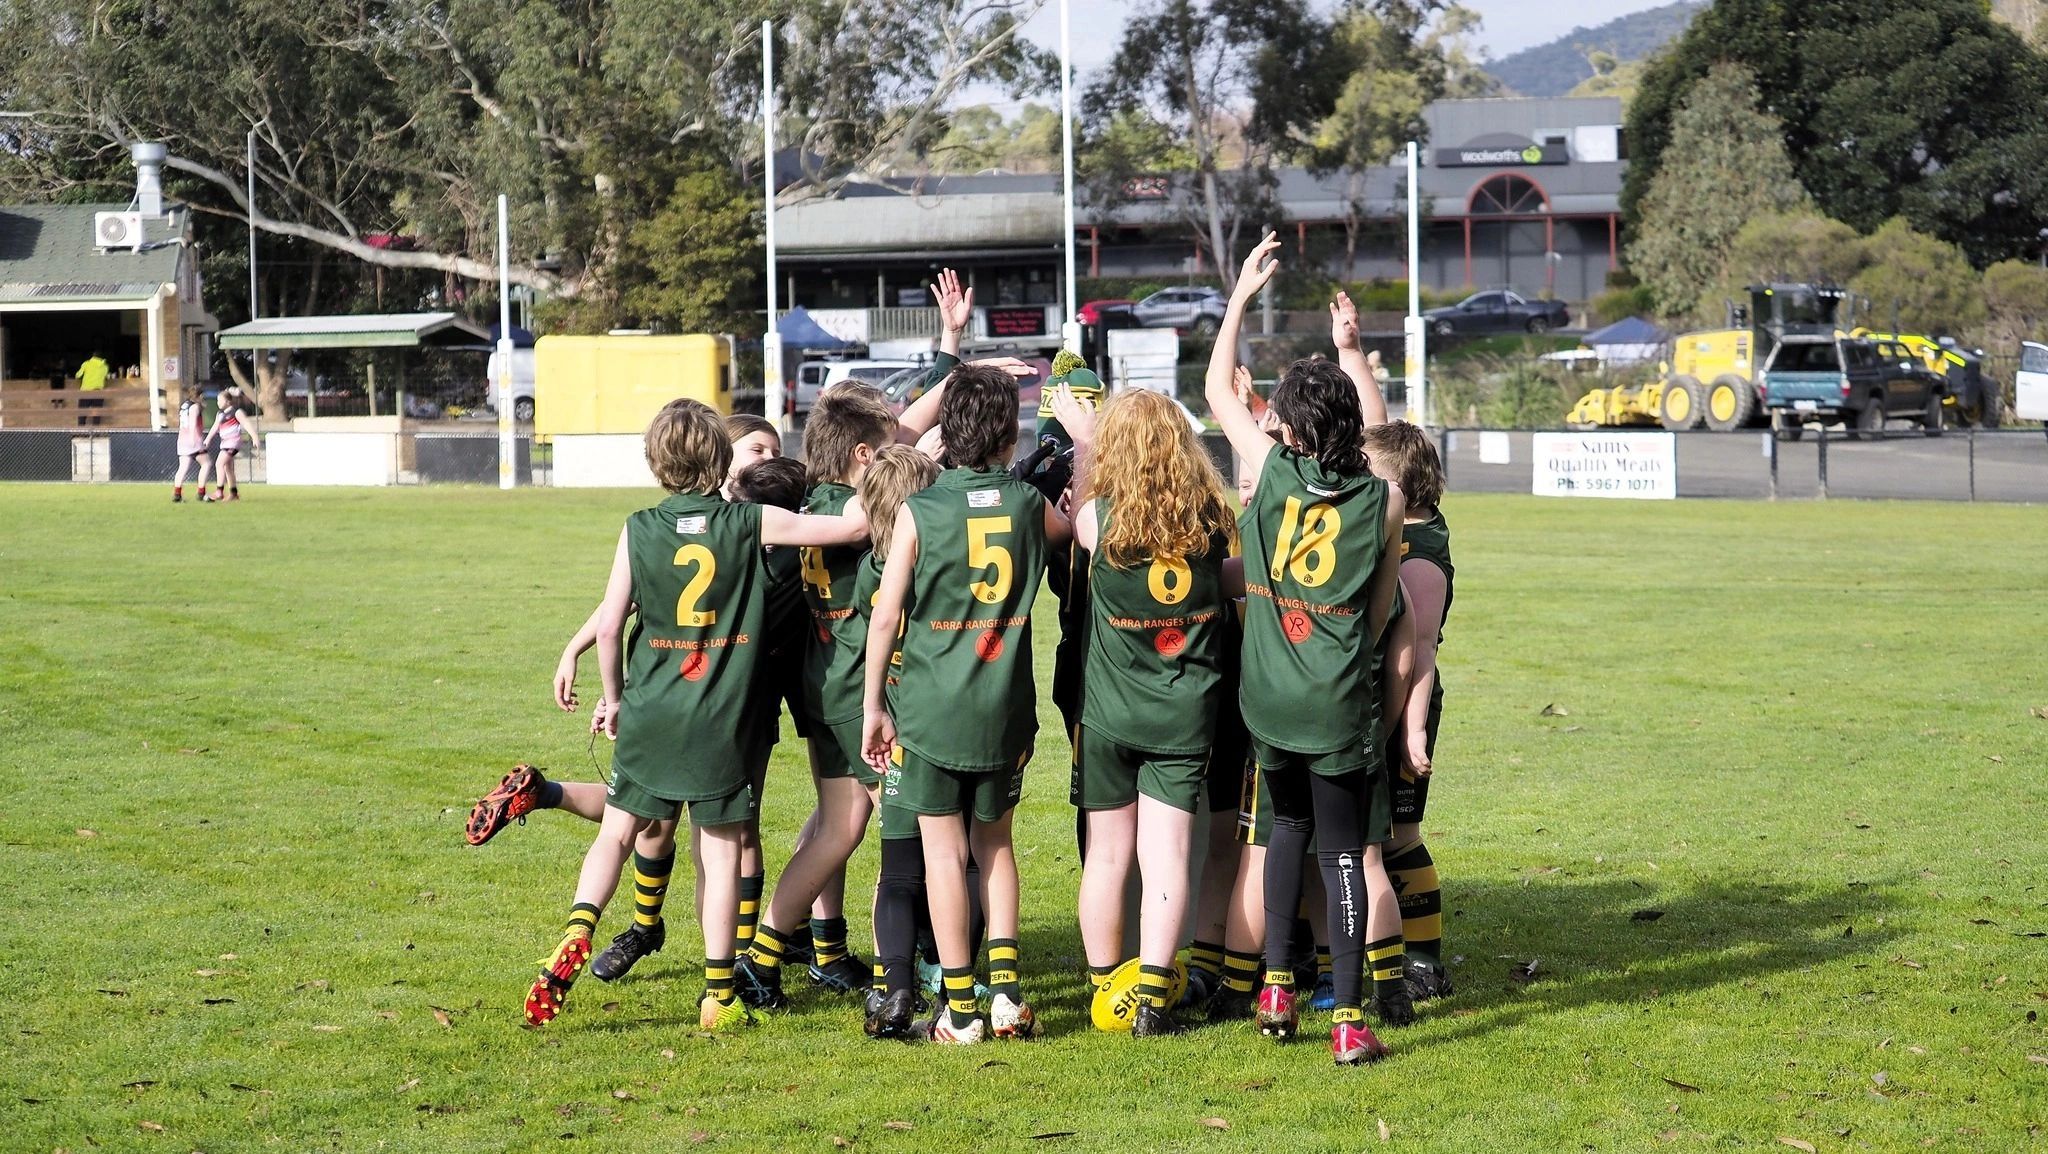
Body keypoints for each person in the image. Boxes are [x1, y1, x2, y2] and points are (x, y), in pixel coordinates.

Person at [522, 398, 863, 1030]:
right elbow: (848, 530)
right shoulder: (751, 521)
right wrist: (892, 467)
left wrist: (617, 698)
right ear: (719, 457)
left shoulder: (637, 526)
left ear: (655, 461)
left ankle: (578, 925)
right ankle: (718, 994)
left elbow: (608, 625)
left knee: (616, 834)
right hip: (721, 718)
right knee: (721, 853)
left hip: (651, 709)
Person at [1204, 232, 1406, 1066]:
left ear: (1290, 425)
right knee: (1345, 852)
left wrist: (1241, 299)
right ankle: (1351, 1020)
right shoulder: (1385, 498)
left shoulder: (1268, 466)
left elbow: (1218, 388)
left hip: (1269, 697)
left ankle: (1277, 988)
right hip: (1332, 699)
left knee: (1283, 831)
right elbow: (1383, 603)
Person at [861, 363, 1074, 1044]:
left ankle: (959, 1011)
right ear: (1009, 437)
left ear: (949, 433)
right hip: (1004, 709)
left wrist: (874, 706)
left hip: (930, 713)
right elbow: (1072, 530)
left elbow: (885, 614)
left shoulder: (920, 512)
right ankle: (1007, 996)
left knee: (945, 856)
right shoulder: (1023, 505)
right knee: (998, 847)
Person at [1066, 387, 1235, 1038]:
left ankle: (1108, 987)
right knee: (1167, 857)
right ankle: (1157, 1001)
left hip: (1109, 717)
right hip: (1184, 718)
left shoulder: (1100, 521)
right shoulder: (1213, 520)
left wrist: (1084, 440)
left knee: (1108, 857)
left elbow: (1080, 502)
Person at [1362, 420, 1456, 1000]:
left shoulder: (1420, 557)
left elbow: (1419, 652)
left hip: (1407, 707)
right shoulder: (1406, 527)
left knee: (1399, 836)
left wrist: (1410, 729)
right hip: (1386, 702)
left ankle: (1422, 960)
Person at [202, 387, 259, 502]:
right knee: (228, 468)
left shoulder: (236, 412)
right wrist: (208, 439)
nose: (218, 403)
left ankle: (219, 492)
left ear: (228, 401)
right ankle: (234, 493)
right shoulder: (220, 414)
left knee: (219, 463)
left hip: (233, 442)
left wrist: (255, 437)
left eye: (220, 400)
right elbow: (215, 427)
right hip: (225, 443)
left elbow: (246, 424)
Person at [172, 387, 211, 502]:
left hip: (182, 440)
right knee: (206, 464)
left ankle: (177, 494)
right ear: (199, 395)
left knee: (183, 467)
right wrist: (194, 439)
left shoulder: (184, 406)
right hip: (193, 441)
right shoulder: (194, 407)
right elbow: (193, 423)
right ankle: (201, 493)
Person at [75, 352, 109, 427]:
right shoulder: (105, 366)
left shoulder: (86, 364)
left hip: (85, 391)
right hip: (98, 391)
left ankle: (81, 432)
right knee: (97, 413)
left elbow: (78, 375)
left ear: (93, 357)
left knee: (82, 413)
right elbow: (107, 377)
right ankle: (96, 432)